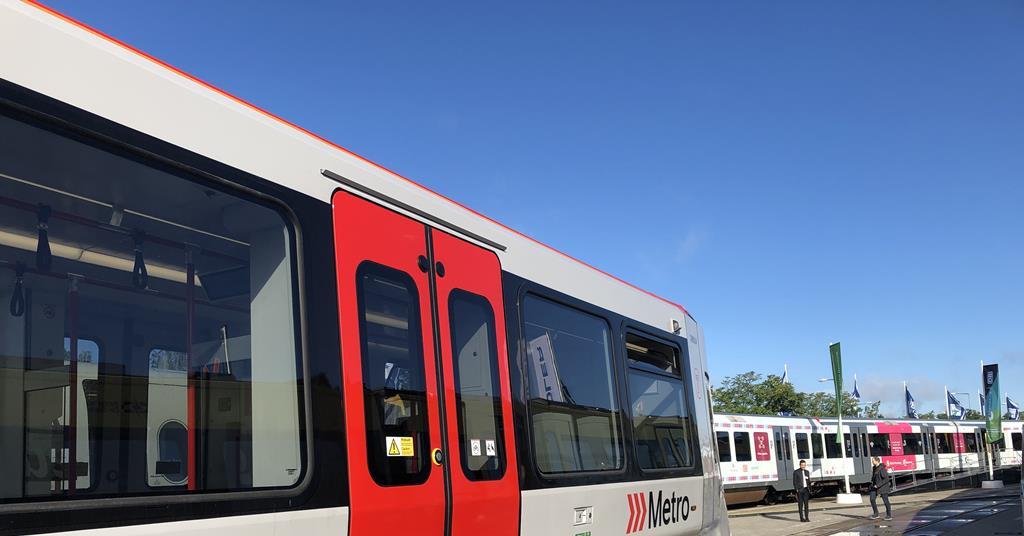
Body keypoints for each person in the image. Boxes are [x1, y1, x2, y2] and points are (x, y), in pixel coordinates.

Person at [869, 456, 892, 521]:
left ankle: (889, 515)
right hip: (874, 486)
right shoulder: (874, 468)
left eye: (873, 461)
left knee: (885, 501)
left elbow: (886, 479)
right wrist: (872, 483)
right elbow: (874, 477)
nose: (872, 462)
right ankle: (876, 514)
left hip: (883, 487)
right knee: (872, 499)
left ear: (877, 461)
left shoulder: (882, 469)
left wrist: (878, 485)